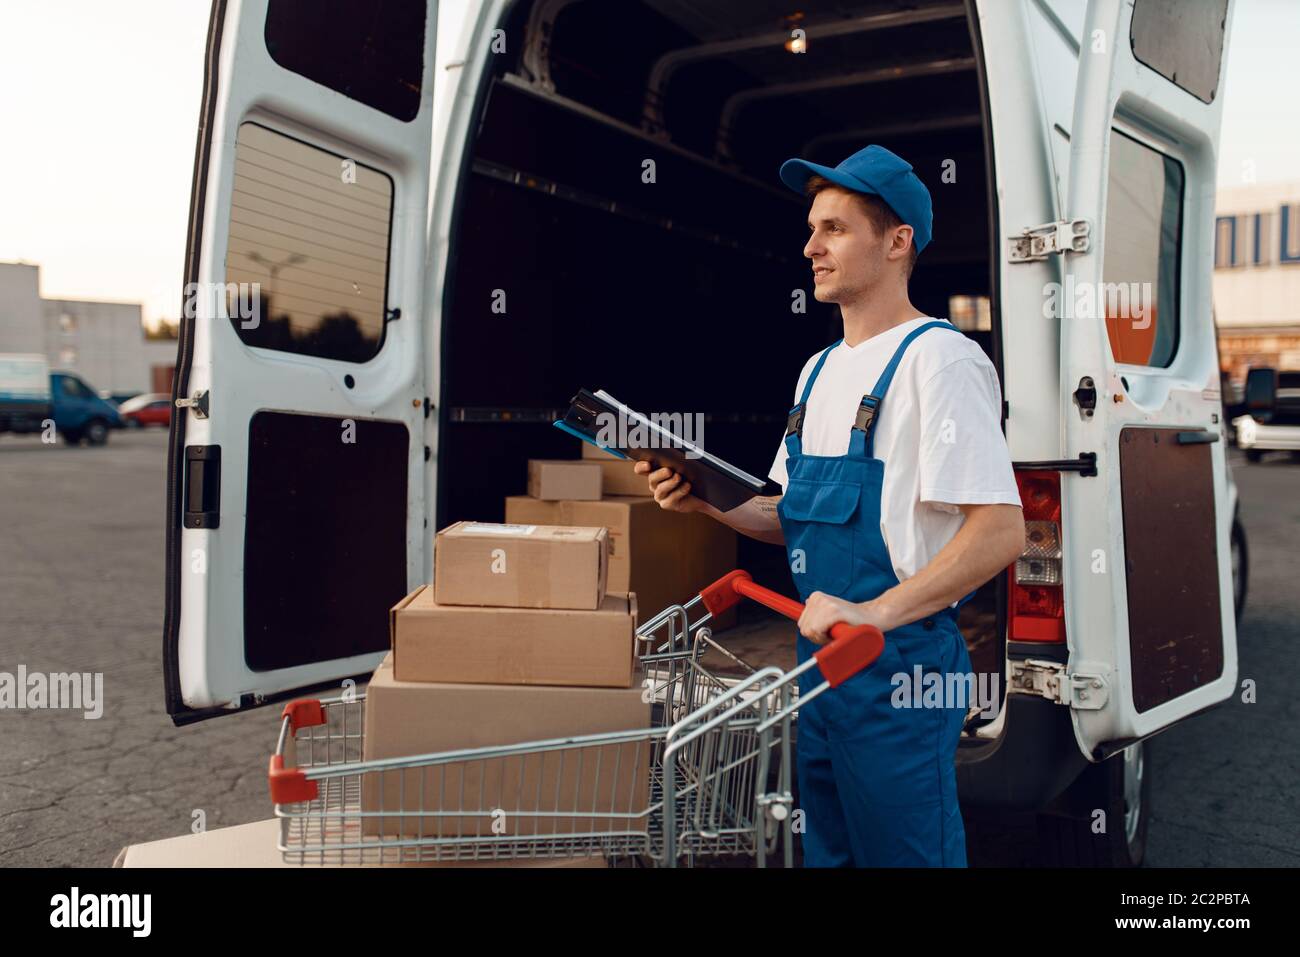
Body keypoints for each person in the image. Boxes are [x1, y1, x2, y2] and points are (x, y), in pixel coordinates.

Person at [635, 144, 1025, 867]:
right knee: (827, 855)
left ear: (898, 241)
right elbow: (784, 515)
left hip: (899, 663)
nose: (810, 246)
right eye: (813, 228)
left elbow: (1001, 530)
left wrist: (875, 612)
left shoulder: (939, 361)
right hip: (816, 662)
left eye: (836, 229)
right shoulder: (815, 371)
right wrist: (704, 504)